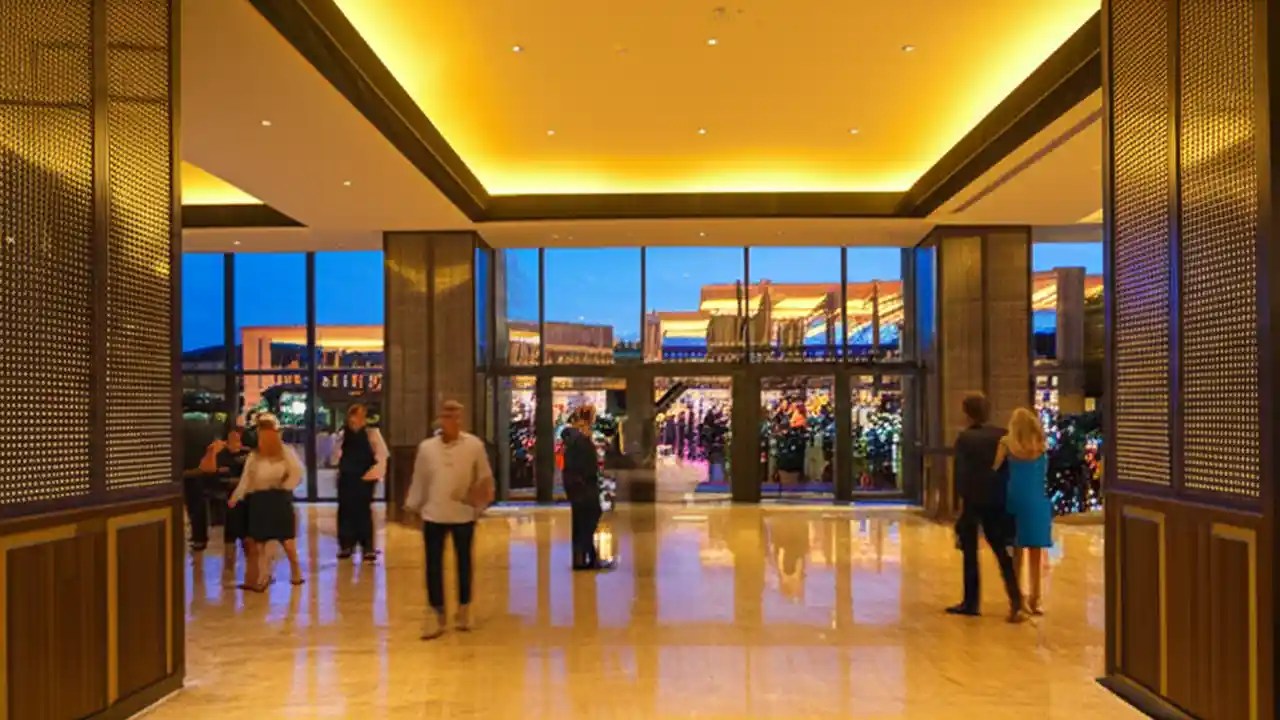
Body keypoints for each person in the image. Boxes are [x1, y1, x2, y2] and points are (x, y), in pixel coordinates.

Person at [404, 400, 494, 640]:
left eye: (456, 416)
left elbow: (485, 477)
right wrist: (412, 506)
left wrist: (478, 501)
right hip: (433, 514)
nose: (452, 420)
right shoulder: (427, 448)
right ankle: (437, 612)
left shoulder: (474, 446)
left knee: (464, 562)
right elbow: (419, 480)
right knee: (433, 565)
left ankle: (464, 608)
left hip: (463, 515)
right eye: (447, 416)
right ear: (440, 420)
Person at [947, 393, 1023, 622]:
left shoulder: (965, 438)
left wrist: (959, 501)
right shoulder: (1001, 435)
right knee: (1002, 553)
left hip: (973, 500)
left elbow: (961, 473)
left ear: (967, 413)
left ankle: (971, 602)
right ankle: (1016, 599)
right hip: (997, 499)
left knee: (970, 554)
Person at [229, 413, 305, 592]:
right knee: (260, 542)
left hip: (279, 499)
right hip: (259, 500)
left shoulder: (285, 452)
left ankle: (296, 572)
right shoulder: (254, 456)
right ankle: (263, 577)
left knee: (287, 541)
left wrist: (284, 487)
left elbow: (297, 472)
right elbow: (246, 480)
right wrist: (236, 497)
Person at [995, 407, 1054, 616]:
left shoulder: (1007, 444)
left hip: (1015, 498)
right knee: (1036, 553)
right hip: (1038, 499)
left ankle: (1018, 597)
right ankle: (1035, 599)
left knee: (1016, 552)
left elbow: (995, 468)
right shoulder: (1041, 446)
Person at [329, 404, 389, 563]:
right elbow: (334, 458)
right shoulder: (342, 435)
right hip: (346, 478)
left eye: (362, 416)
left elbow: (382, 455)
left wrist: (373, 475)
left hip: (365, 478)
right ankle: (346, 545)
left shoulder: (372, 434)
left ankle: (367, 547)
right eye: (356, 416)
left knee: (363, 512)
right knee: (345, 511)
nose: (359, 419)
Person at [199, 427, 251, 585]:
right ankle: (228, 570)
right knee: (230, 536)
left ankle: (252, 569)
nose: (235, 442)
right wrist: (212, 452)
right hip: (226, 500)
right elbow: (207, 470)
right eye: (232, 439)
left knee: (248, 537)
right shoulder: (220, 455)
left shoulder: (248, 455)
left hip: (245, 499)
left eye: (238, 439)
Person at [562, 406, 605, 570]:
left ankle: (584, 558)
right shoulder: (580, 440)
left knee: (582, 522)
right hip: (584, 486)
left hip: (579, 487)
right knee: (588, 519)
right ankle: (588, 557)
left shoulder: (576, 439)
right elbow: (583, 465)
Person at [182, 417, 219, 552]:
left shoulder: (178, 429)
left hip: (187, 471)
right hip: (200, 471)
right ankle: (199, 538)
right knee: (197, 505)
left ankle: (196, 537)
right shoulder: (205, 427)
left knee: (193, 505)